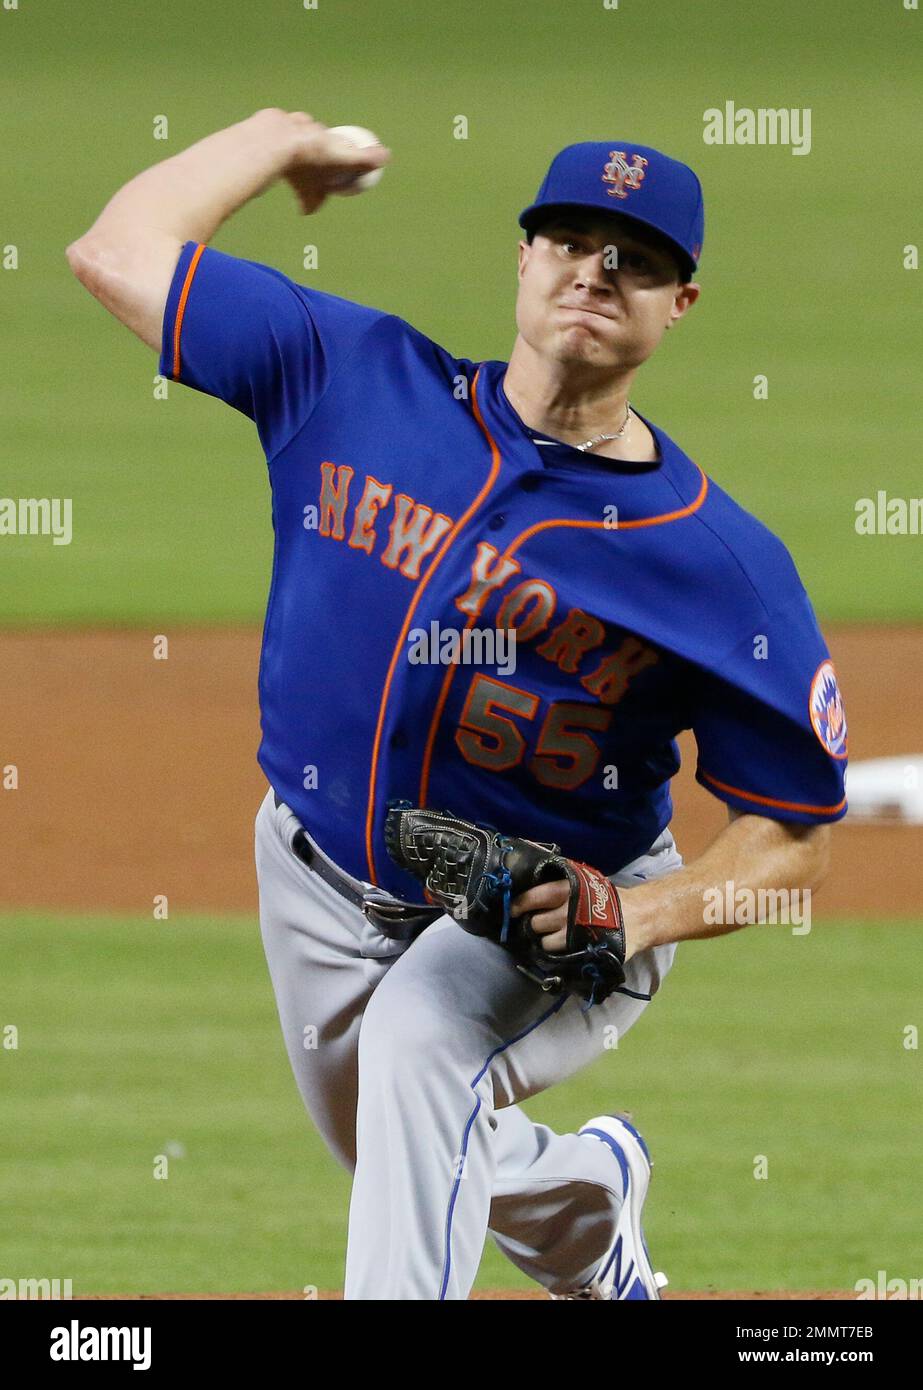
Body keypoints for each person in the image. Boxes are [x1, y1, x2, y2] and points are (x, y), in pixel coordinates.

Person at [67, 113, 847, 1301]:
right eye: (569, 241)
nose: (593, 272)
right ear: (522, 257)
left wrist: (634, 917)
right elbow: (116, 252)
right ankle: (587, 1196)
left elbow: (792, 840)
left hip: (545, 916)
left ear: (677, 304)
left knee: (420, 1044)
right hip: (312, 877)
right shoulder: (349, 375)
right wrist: (276, 140)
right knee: (400, 1141)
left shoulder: (715, 563)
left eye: (633, 260)